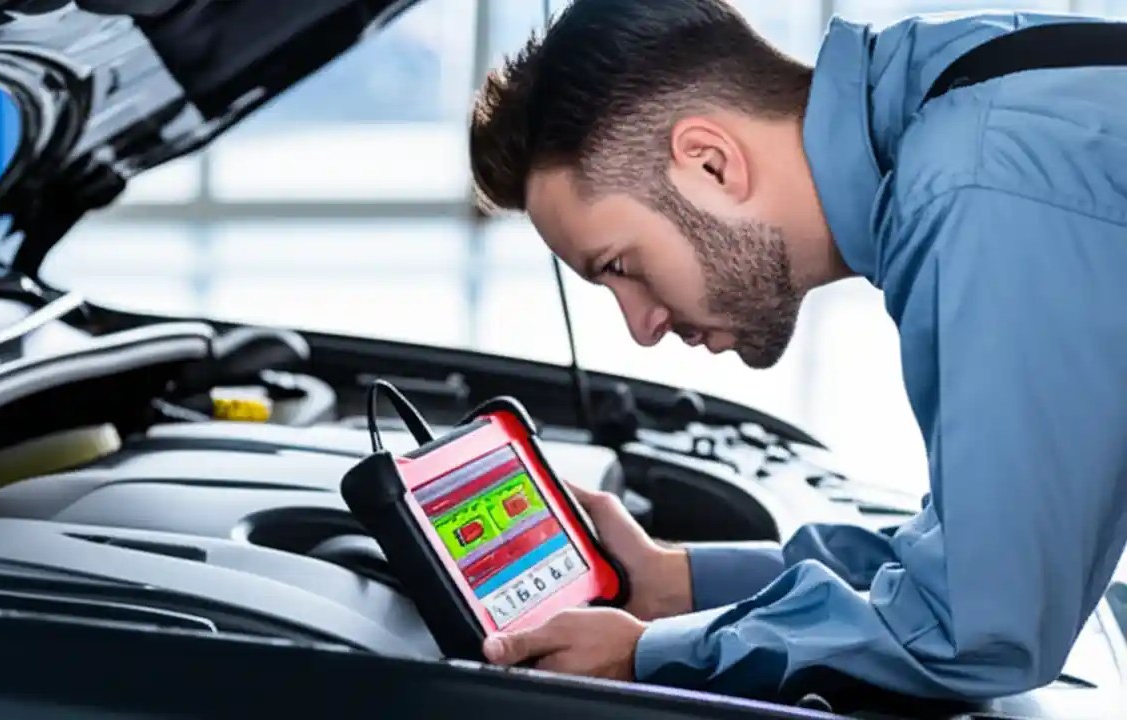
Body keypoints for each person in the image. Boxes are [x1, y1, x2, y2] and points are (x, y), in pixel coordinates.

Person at [466, 0, 1127, 704]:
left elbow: (981, 629)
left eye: (620, 267)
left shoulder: (976, 189)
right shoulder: (959, 95)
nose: (640, 327)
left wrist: (645, 657)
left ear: (711, 163)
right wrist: (677, 582)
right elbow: (968, 561)